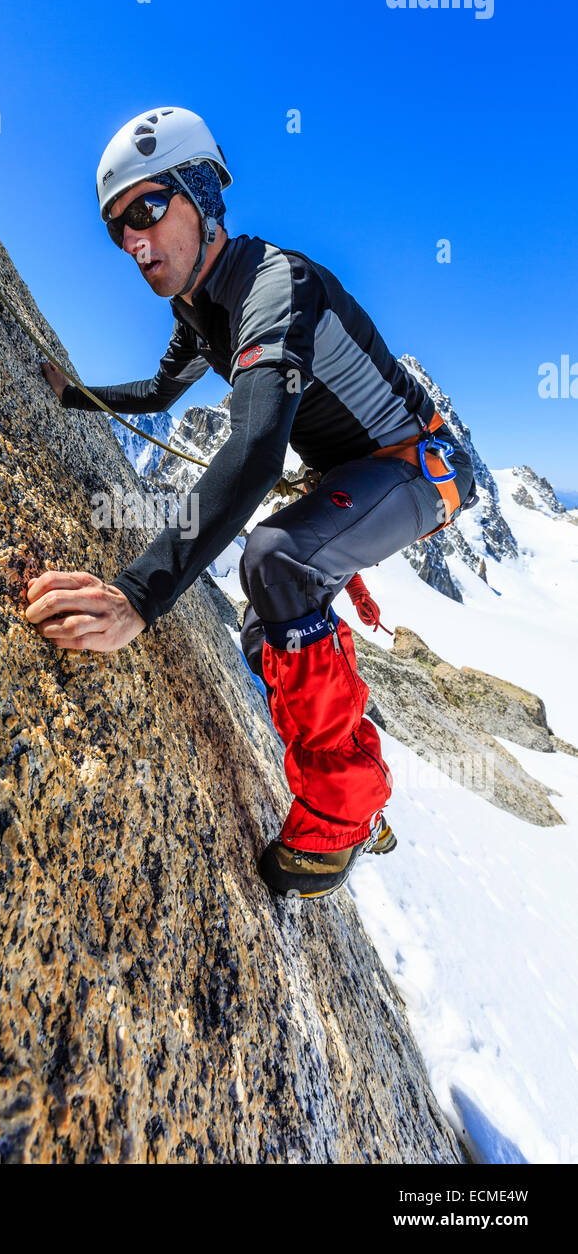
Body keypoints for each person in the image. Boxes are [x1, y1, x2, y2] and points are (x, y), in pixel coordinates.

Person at [25, 106, 478, 898]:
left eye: (146, 209)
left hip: (420, 467)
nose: (133, 241)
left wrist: (138, 593)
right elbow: (163, 392)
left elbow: (258, 447)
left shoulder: (276, 283)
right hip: (368, 473)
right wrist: (76, 397)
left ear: (203, 194)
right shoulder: (200, 311)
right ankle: (352, 781)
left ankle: (344, 812)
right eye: (115, 229)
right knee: (263, 630)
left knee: (276, 560)